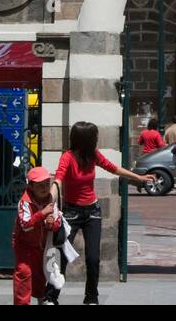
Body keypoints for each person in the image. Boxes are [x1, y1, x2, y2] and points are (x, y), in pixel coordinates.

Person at [51, 121, 155, 304]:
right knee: (62, 256)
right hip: (71, 213)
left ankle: (91, 298)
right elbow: (58, 179)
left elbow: (113, 168)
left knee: (93, 258)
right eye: (95, 137)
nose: (97, 140)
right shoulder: (67, 157)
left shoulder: (92, 155)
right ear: (86, 140)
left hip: (92, 212)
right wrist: (50, 199)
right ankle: (51, 296)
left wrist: (138, 177)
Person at [12, 166, 64, 305]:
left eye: (47, 184)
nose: (44, 188)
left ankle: (41, 299)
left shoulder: (50, 200)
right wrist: (42, 214)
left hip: (41, 244)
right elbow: (26, 225)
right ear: (31, 186)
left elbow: (57, 222)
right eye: (40, 185)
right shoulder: (25, 202)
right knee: (24, 272)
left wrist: (50, 224)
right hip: (23, 243)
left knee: (40, 274)